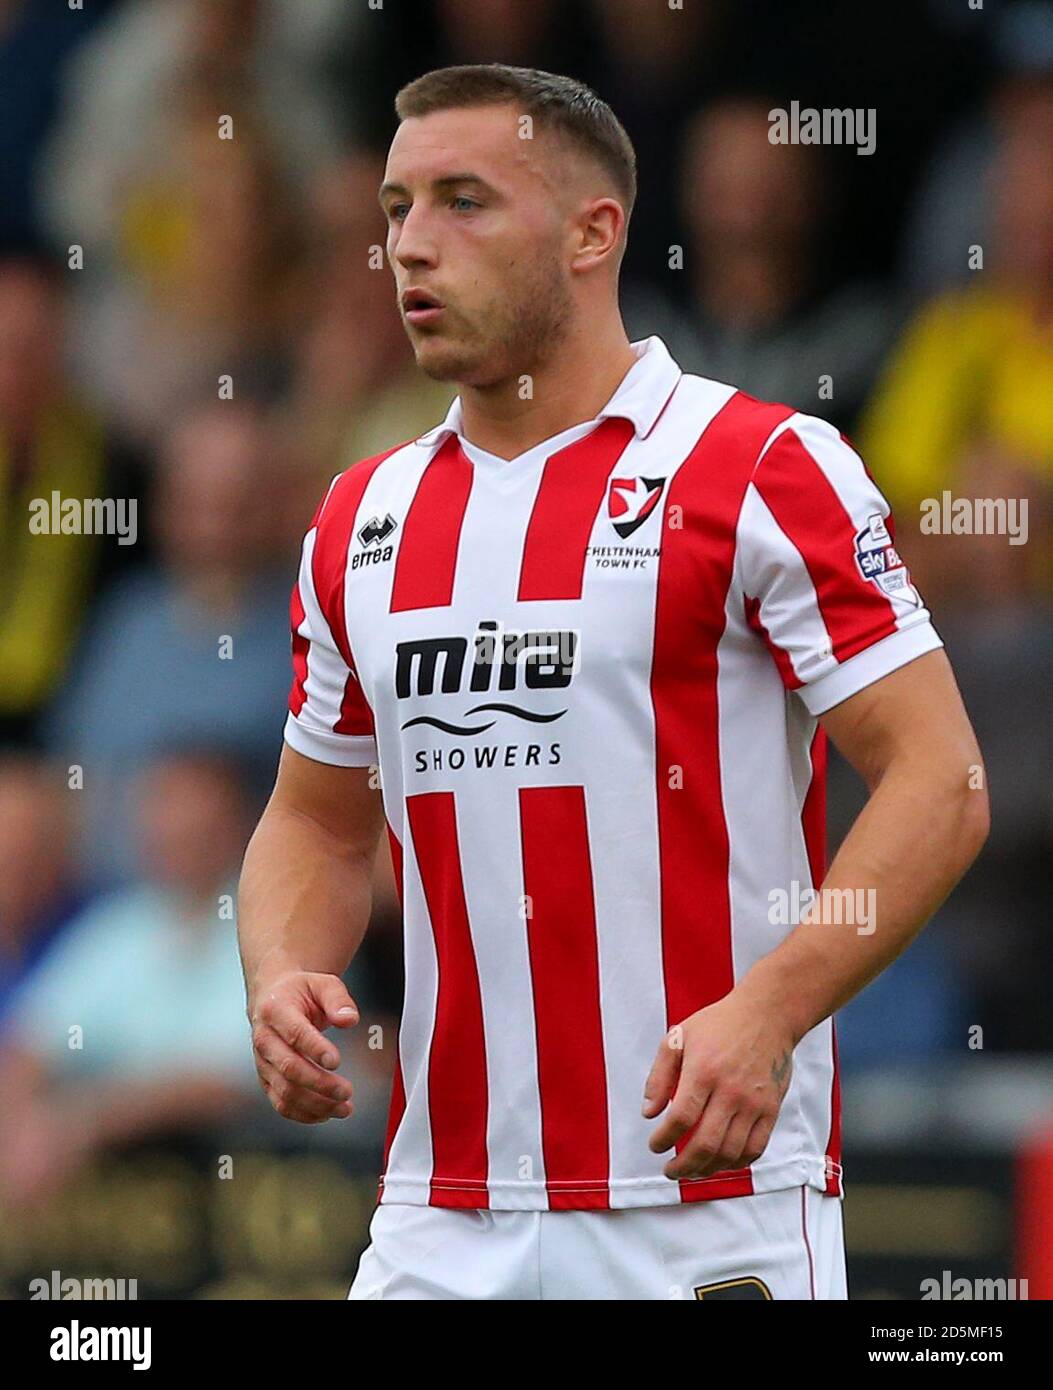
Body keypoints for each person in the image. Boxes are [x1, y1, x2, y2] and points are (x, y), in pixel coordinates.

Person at [237, 64, 989, 1301]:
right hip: (439, 1212)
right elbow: (316, 818)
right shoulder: (359, 517)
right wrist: (276, 972)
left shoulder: (762, 467)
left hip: (704, 1208)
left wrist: (770, 1011)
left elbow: (942, 778)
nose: (411, 248)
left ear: (596, 233)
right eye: (394, 209)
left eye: (463, 202)